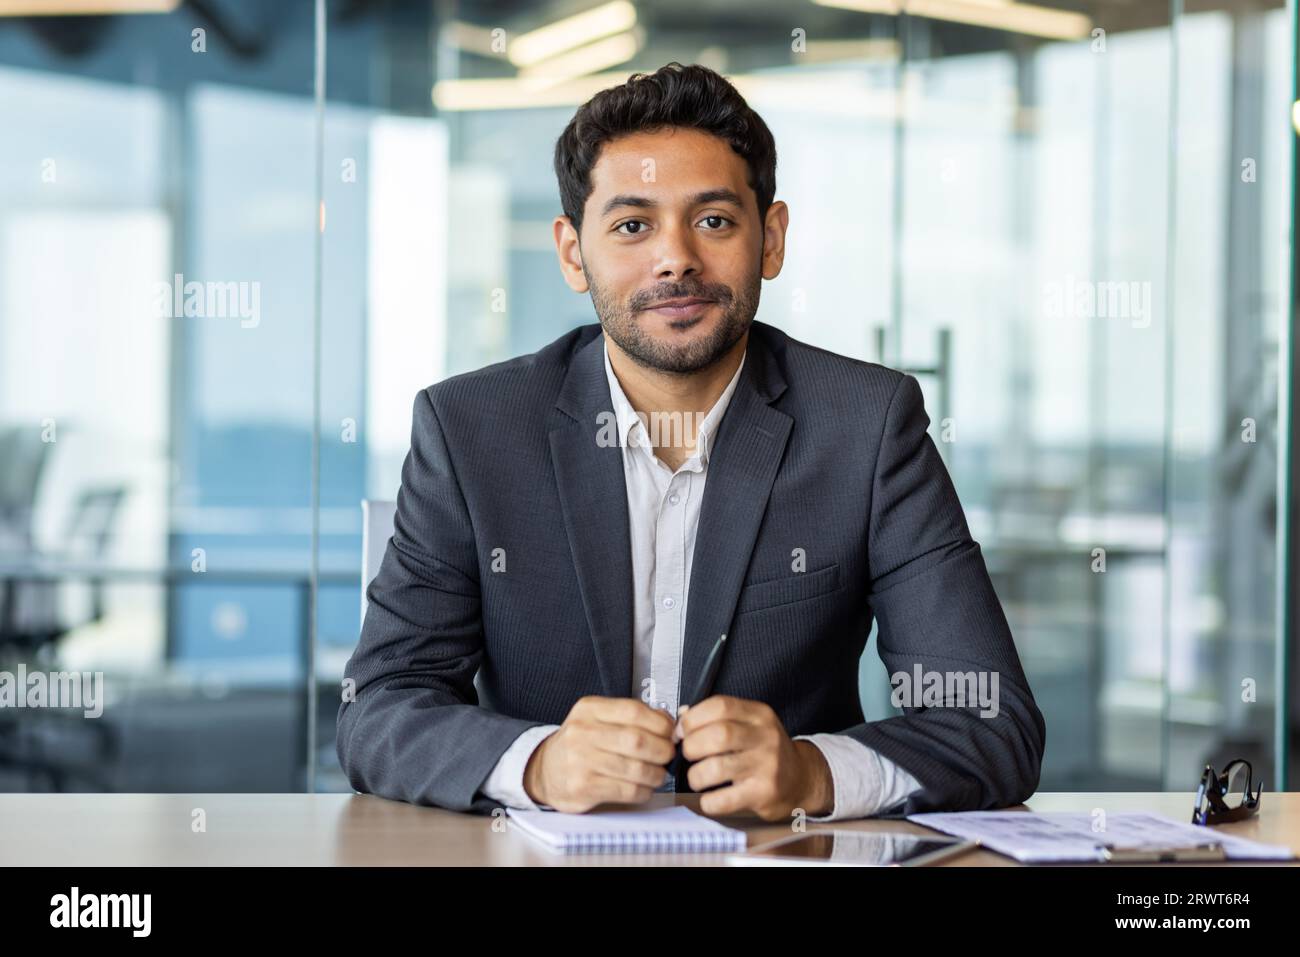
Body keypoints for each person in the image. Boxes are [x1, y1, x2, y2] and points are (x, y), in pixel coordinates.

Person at [338, 62, 1045, 822]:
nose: (675, 259)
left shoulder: (868, 425)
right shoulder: (472, 430)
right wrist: (538, 762)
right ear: (575, 252)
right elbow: (379, 706)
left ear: (770, 240)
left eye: (713, 220)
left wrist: (813, 772)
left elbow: (990, 719)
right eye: (632, 225)